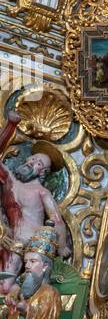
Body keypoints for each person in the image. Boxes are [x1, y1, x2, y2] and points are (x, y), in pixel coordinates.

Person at [0, 115, 71, 290]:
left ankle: (19, 293)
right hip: (6, 237)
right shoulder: (10, 181)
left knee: (4, 286)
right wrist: (11, 125)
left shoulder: (41, 192)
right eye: (32, 159)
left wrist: (62, 248)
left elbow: (57, 220)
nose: (32, 162)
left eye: (38, 163)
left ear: (43, 172)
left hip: (25, 243)